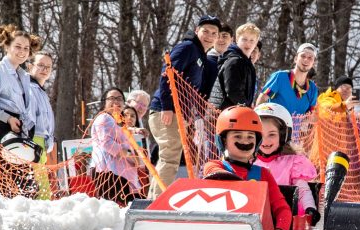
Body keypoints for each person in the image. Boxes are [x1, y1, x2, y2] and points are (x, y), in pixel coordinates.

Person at [148, 15, 220, 196]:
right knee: (170, 158)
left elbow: (193, 92)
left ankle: (151, 200)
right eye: (205, 31)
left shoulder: (201, 56)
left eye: (214, 33)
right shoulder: (188, 47)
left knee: (169, 156)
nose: (209, 36)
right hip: (167, 110)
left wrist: (193, 117)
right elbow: (168, 73)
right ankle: (157, 201)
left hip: (181, 114)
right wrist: (167, 106)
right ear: (197, 31)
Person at [202, 106, 292, 230]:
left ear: (257, 142)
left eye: (250, 136)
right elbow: (219, 176)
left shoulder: (263, 174)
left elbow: (282, 209)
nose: (245, 141)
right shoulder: (214, 166)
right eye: (237, 136)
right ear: (224, 140)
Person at [253, 102, 319, 227]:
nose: (265, 141)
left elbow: (302, 190)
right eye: (261, 135)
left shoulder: (292, 163)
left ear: (283, 135)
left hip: (285, 221)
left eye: (272, 134)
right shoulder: (250, 162)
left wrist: (309, 207)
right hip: (256, 218)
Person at [0, 25, 39, 144]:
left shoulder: (24, 76)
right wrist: (8, 118)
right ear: (7, 46)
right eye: (18, 47)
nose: (22, 51)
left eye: (26, 48)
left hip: (14, 135)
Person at [89, 87, 142, 205]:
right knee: (117, 208)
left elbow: (122, 132)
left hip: (121, 173)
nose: (116, 101)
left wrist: (136, 130)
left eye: (119, 98)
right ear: (104, 102)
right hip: (109, 173)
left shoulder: (116, 121)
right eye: (112, 98)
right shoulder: (104, 117)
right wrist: (129, 155)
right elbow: (107, 143)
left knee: (129, 206)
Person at [255, 42, 319, 116]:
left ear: (314, 63)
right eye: (303, 56)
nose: (306, 60)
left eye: (310, 58)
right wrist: (259, 119)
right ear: (296, 59)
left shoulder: (312, 89)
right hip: (275, 122)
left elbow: (311, 114)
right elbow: (262, 99)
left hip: (299, 124)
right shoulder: (280, 77)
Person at [209, 22, 260, 109]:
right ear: (237, 40)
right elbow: (232, 91)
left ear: (256, 43)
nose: (248, 44)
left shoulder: (247, 64)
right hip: (224, 112)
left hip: (236, 111)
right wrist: (246, 109)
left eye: (252, 40)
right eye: (244, 39)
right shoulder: (234, 61)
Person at [28, 51, 56, 162]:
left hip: (42, 144)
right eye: (40, 65)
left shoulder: (41, 92)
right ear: (30, 67)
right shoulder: (28, 88)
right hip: (32, 143)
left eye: (48, 67)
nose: (45, 69)